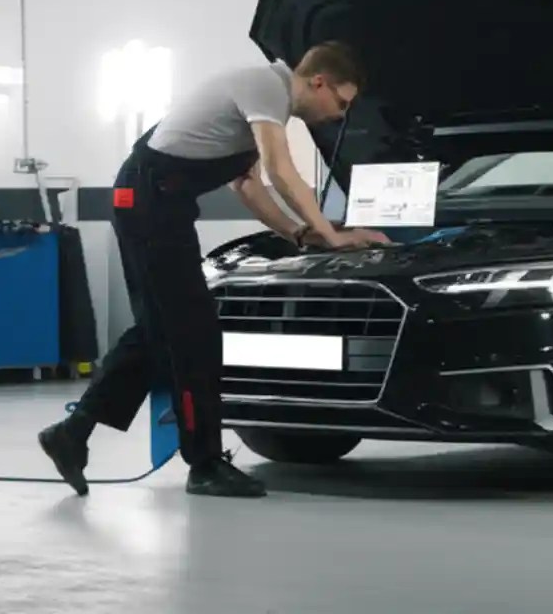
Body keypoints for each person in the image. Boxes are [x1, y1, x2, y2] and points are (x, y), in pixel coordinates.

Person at [38, 41, 390, 498]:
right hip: (147, 202)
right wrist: (334, 234)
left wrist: (301, 234)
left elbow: (249, 186)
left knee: (161, 330)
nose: (340, 114)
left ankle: (73, 432)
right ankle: (202, 464)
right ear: (318, 82)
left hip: (158, 204)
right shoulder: (267, 86)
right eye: (340, 102)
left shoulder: (267, 102)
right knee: (192, 334)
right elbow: (283, 171)